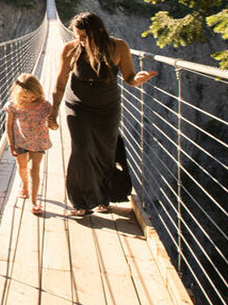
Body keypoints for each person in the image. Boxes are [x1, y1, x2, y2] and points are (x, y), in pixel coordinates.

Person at [51, 12, 158, 217]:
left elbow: (129, 78)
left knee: (104, 153)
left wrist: (139, 79)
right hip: (78, 107)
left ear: (99, 32)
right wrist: (53, 111)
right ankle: (81, 202)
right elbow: (60, 83)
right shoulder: (71, 49)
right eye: (77, 36)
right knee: (81, 151)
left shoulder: (119, 47)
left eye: (84, 36)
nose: (80, 40)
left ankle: (103, 198)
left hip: (107, 108)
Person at [5, 72, 59, 216]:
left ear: (38, 92)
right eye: (25, 97)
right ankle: (24, 185)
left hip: (38, 141)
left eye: (33, 97)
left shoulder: (45, 105)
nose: (29, 99)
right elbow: (8, 125)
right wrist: (11, 144)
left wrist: (52, 124)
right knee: (22, 166)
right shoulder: (13, 105)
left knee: (33, 169)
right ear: (18, 94)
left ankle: (34, 201)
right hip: (20, 141)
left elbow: (54, 127)